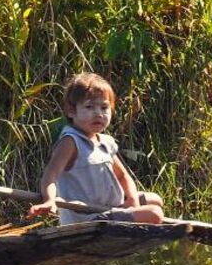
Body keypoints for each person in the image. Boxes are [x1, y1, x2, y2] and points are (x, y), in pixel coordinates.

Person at [28, 72, 165, 224]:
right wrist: (49, 200)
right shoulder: (71, 141)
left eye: (104, 107)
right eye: (89, 107)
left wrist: (132, 200)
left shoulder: (105, 142)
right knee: (154, 213)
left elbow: (122, 176)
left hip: (109, 207)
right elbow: (51, 174)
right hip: (89, 217)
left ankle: (126, 215)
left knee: (155, 199)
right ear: (71, 111)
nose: (98, 113)